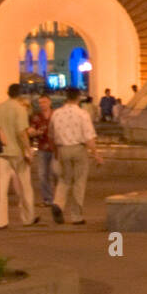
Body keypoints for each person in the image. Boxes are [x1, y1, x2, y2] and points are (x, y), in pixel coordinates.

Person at [50, 86, 102, 225]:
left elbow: (52, 134)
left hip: (63, 149)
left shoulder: (56, 113)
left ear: (66, 98)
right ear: (78, 98)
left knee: (64, 179)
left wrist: (56, 151)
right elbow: (89, 137)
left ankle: (58, 204)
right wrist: (96, 154)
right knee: (79, 182)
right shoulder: (82, 114)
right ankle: (76, 215)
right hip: (79, 149)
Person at [0, 83, 38, 228]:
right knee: (25, 185)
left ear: (8, 93)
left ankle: (1, 221)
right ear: (20, 94)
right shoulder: (20, 109)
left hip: (1, 152)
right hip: (17, 152)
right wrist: (28, 150)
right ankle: (28, 217)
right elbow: (22, 132)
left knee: (1, 186)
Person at [28, 93, 57, 207]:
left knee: (56, 173)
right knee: (42, 174)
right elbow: (31, 130)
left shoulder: (56, 114)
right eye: (40, 103)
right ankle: (48, 199)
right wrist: (34, 132)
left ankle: (58, 197)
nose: (42, 105)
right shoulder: (36, 117)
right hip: (42, 148)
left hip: (55, 148)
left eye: (44, 102)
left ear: (49, 102)